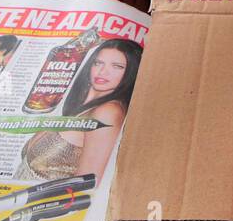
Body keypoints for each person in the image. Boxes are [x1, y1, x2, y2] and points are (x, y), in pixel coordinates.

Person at [16, 38, 142, 184]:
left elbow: (88, 186)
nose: (103, 71)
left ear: (131, 72)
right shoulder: (80, 106)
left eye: (117, 66)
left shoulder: (108, 112)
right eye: (98, 63)